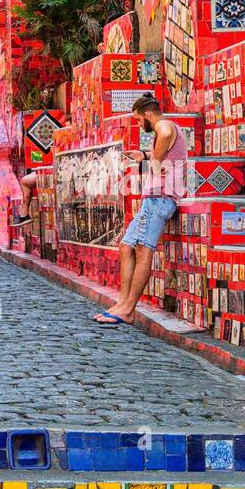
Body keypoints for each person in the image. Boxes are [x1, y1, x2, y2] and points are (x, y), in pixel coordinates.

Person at [94, 92, 188, 328]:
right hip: (153, 199)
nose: (139, 124)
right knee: (127, 246)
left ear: (147, 114)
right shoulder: (162, 130)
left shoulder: (164, 125)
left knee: (144, 250)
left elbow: (166, 134)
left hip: (161, 198)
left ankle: (127, 310)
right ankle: (122, 302)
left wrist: (154, 163)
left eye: (138, 119)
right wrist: (146, 156)